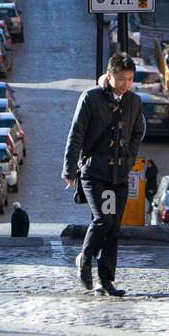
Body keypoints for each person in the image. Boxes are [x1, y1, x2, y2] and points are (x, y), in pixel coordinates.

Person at [63, 52, 147, 298]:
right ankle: (85, 258)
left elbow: (137, 132)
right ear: (109, 75)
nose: (126, 84)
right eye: (121, 78)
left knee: (113, 228)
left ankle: (105, 279)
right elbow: (76, 134)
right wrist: (69, 169)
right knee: (103, 219)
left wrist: (129, 159)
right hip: (94, 172)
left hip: (118, 175)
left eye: (130, 79)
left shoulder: (134, 102)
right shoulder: (90, 98)